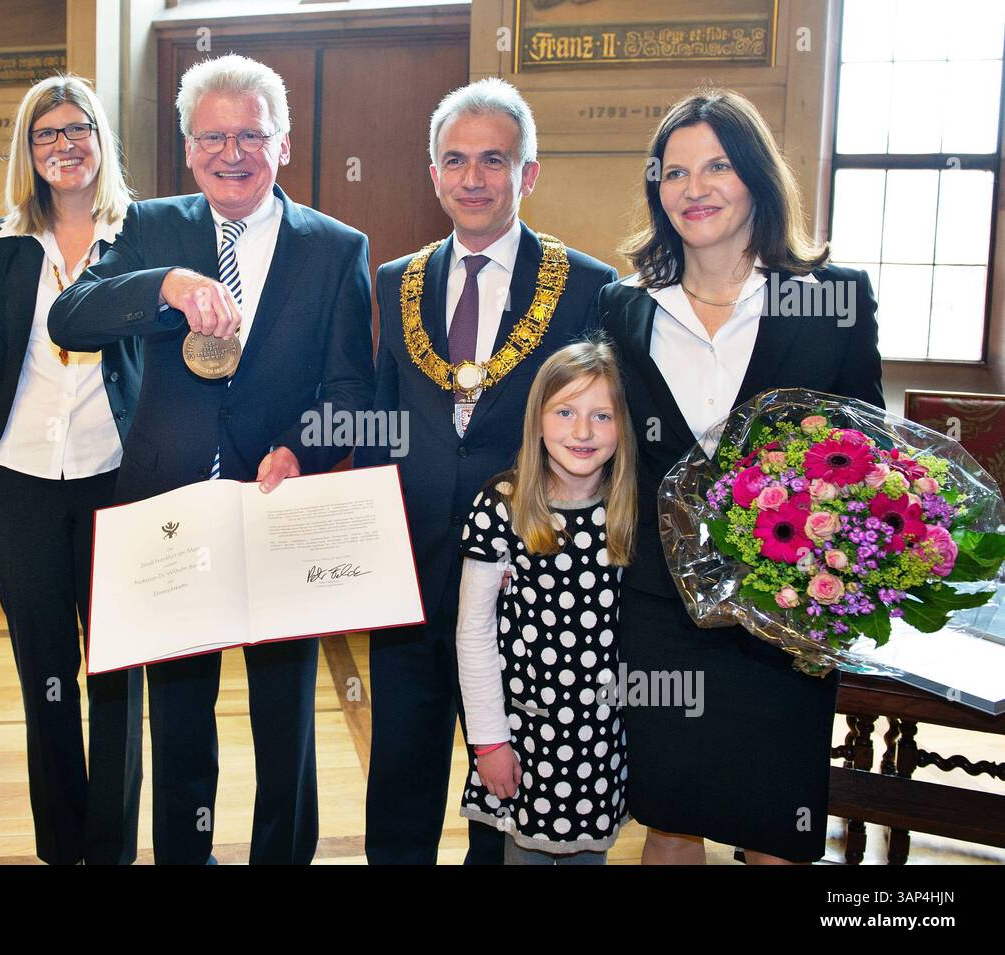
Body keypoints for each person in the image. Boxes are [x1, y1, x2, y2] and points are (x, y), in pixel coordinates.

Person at [48, 53, 373, 865]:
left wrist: (304, 448)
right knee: (182, 720)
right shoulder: (151, 228)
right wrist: (166, 285)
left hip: (279, 512)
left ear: (285, 144)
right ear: (189, 148)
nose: (234, 153)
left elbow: (351, 391)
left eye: (252, 135)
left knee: (285, 720)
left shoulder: (337, 248)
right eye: (213, 137)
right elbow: (70, 317)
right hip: (169, 513)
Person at [598, 88, 884, 864]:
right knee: (668, 815)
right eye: (675, 172)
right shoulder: (624, 308)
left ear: (756, 175)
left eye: (718, 166)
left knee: (777, 830)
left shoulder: (834, 300)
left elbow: (868, 460)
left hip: (786, 615)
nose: (695, 189)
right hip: (660, 611)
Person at [357, 77, 617, 865]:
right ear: (433, 172)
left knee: (504, 775)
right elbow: (379, 421)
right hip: (409, 565)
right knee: (401, 764)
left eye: (494, 161)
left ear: (527, 173)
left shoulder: (587, 285)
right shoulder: (396, 279)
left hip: (528, 576)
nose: (473, 179)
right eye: (456, 161)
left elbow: (598, 432)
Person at [0, 75, 143, 866]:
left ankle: (109, 845)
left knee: (116, 669)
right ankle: (61, 842)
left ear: (102, 139)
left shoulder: (142, 234)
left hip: (117, 478)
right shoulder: (2, 246)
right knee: (44, 670)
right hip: (21, 480)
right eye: (46, 134)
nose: (65, 145)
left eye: (79, 129)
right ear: (28, 152)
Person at [455, 341, 636, 864]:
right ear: (536, 421)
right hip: (523, 736)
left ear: (623, 426)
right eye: (565, 412)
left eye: (602, 415)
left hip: (603, 739)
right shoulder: (501, 507)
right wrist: (488, 741)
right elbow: (474, 634)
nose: (582, 433)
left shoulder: (631, 510)